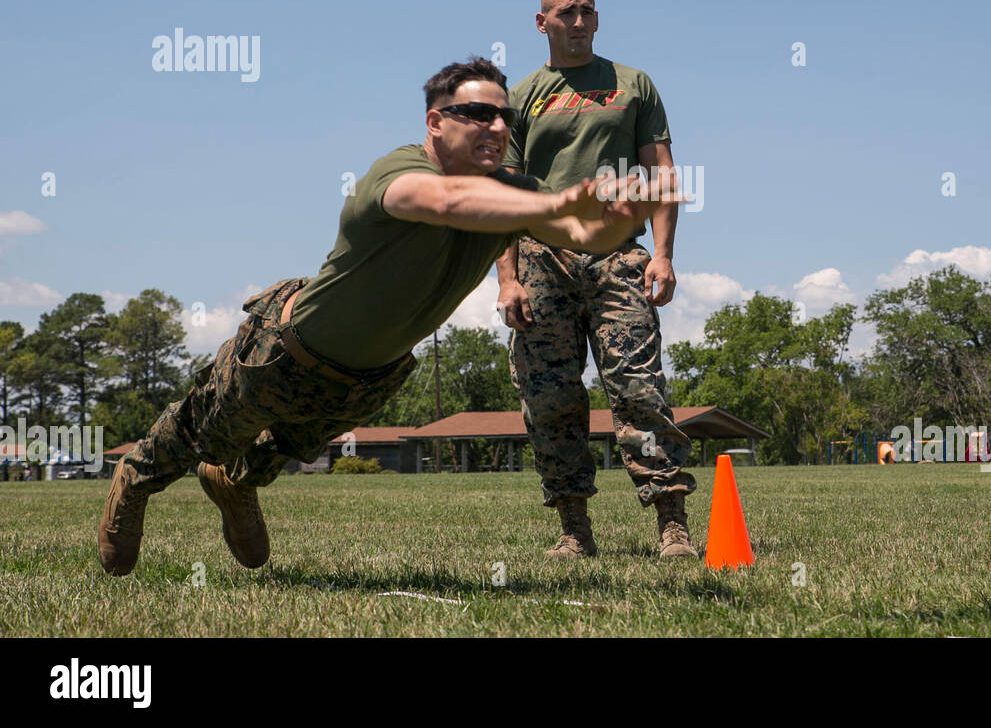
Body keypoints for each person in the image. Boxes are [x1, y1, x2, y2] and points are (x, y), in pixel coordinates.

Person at [97, 57, 669, 576]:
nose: (496, 127)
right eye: (477, 114)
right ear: (435, 122)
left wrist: (619, 219)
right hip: (287, 350)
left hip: (367, 378)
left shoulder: (514, 193)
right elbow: (444, 203)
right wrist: (559, 201)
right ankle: (134, 484)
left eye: (505, 118)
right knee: (200, 433)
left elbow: (579, 234)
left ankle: (234, 486)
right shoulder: (398, 170)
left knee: (287, 447)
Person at [495, 0, 696, 560]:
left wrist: (663, 254)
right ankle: (573, 529)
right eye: (567, 12)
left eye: (587, 11)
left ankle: (671, 523)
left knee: (639, 389)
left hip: (618, 257)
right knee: (551, 397)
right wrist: (507, 279)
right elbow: (504, 195)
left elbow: (661, 174)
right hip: (541, 260)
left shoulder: (633, 85)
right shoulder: (523, 96)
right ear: (542, 23)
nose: (579, 20)